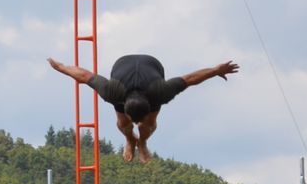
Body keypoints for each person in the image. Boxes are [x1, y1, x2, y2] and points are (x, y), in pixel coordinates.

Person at [47, 53, 239, 162]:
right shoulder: (112, 91)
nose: (136, 121)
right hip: (122, 67)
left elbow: (190, 79)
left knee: (148, 125)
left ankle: (143, 143)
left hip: (152, 65)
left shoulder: (160, 92)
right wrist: (62, 67)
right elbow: (84, 75)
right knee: (122, 124)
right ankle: (130, 141)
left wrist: (216, 71)